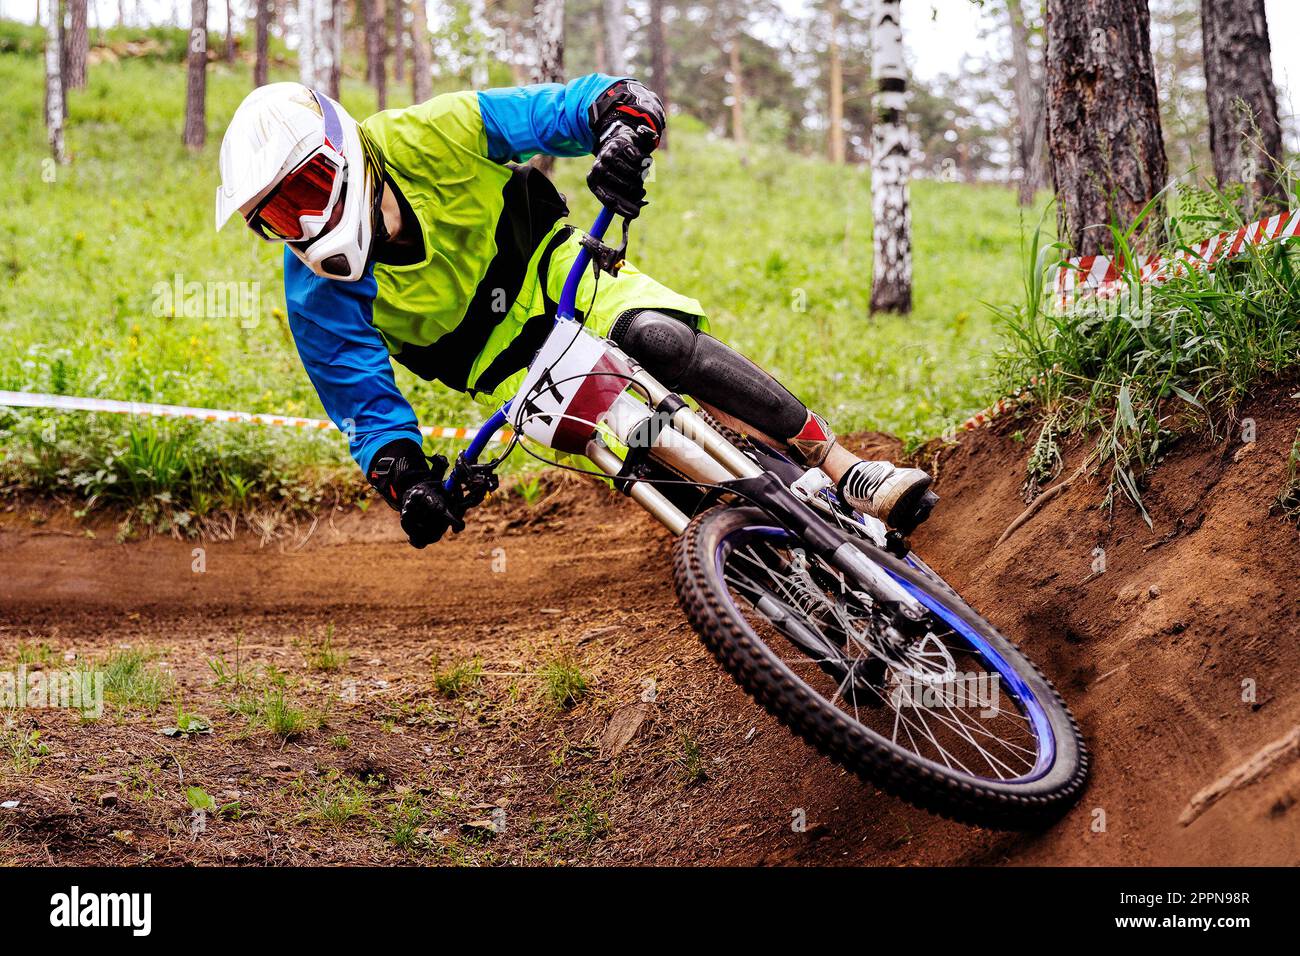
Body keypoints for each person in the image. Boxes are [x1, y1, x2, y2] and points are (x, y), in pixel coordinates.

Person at [214, 76, 935, 548]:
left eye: (303, 189)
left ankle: (843, 468)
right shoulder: (315, 293)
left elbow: (553, 112)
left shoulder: (423, 136)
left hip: (562, 274)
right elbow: (364, 404)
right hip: (507, 367)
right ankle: (795, 588)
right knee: (653, 461)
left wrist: (619, 121)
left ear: (342, 150)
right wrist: (409, 481)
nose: (300, 220)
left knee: (655, 340)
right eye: (275, 214)